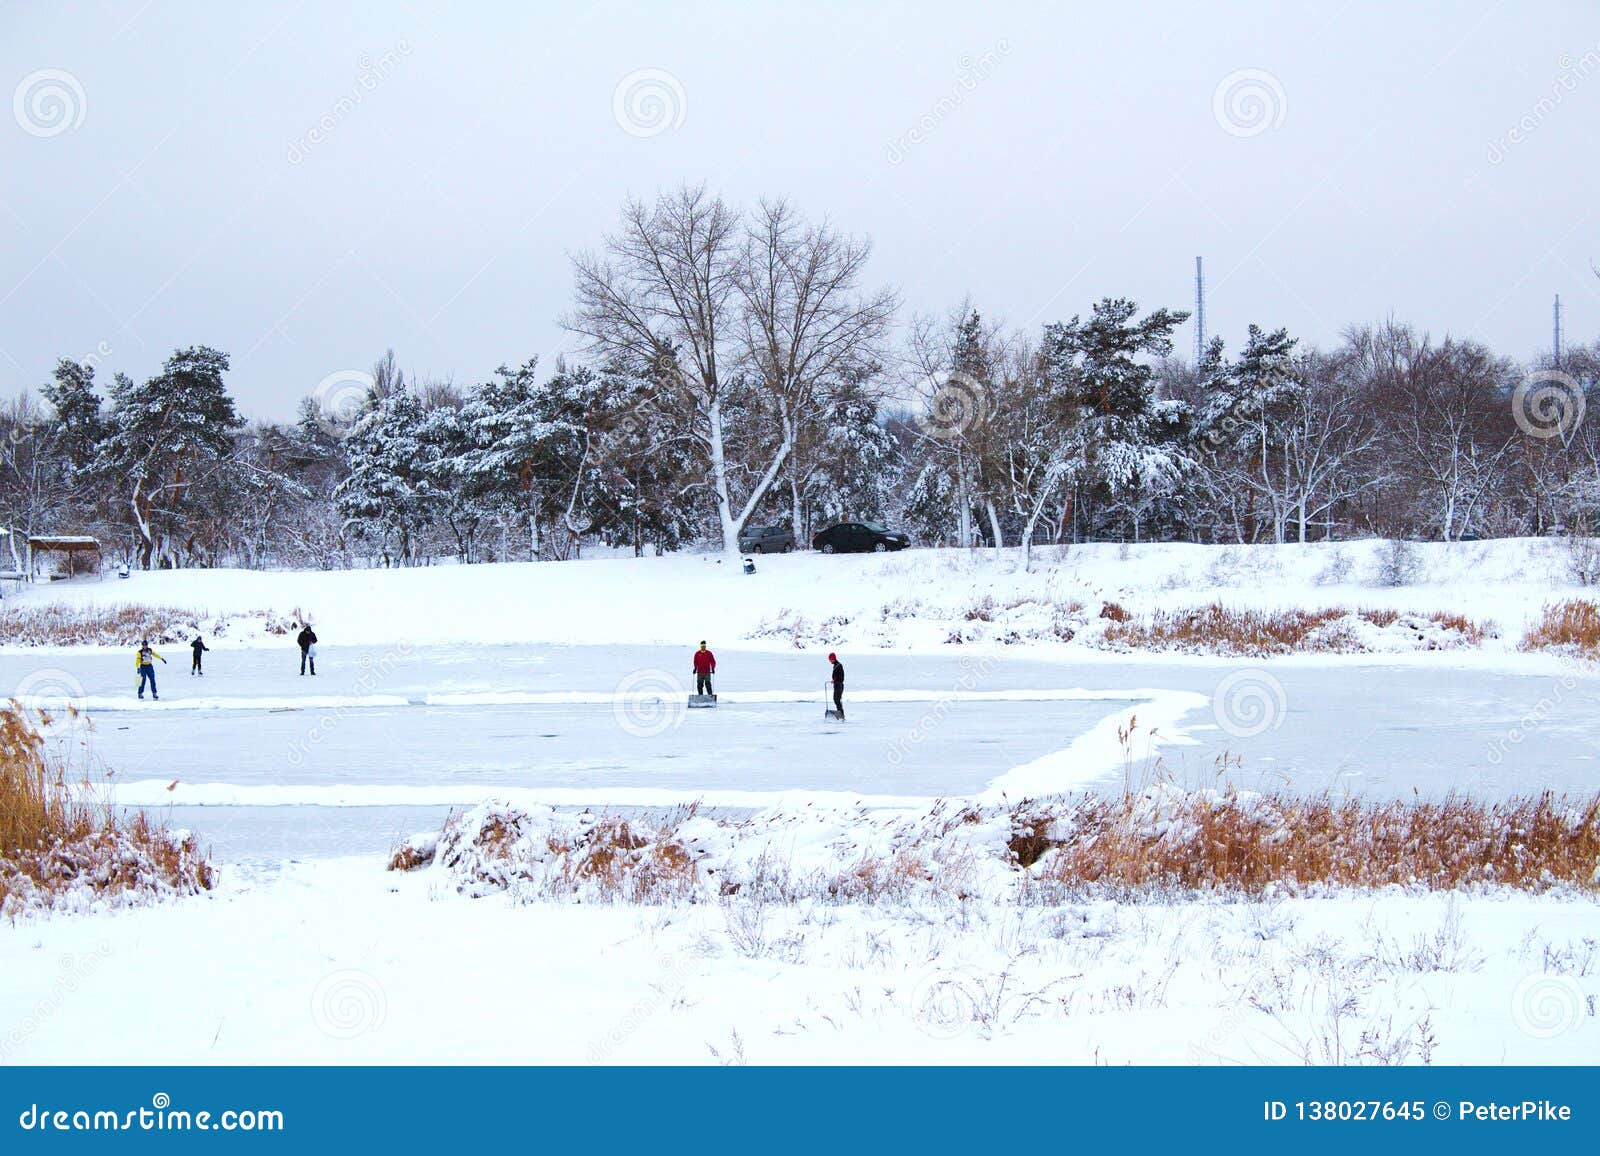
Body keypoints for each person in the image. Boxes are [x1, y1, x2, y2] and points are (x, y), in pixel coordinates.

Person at [828, 651, 845, 720]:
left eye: (830, 659)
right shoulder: (835, 665)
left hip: (839, 685)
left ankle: (841, 715)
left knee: (837, 700)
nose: (829, 661)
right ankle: (840, 714)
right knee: (836, 700)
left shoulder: (839, 665)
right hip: (836, 685)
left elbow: (841, 677)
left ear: (833, 658)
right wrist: (834, 680)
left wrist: (835, 680)